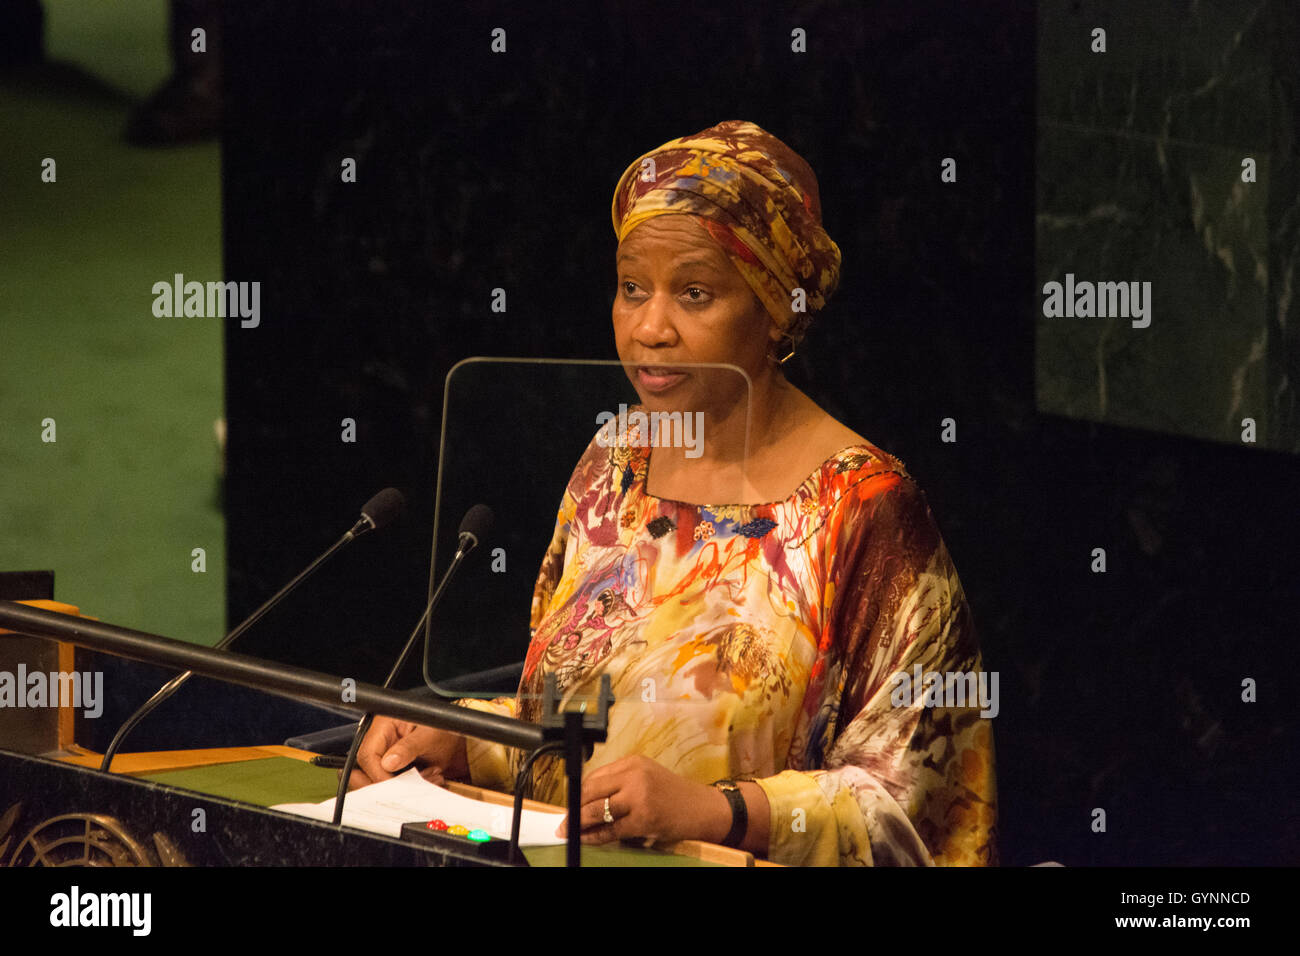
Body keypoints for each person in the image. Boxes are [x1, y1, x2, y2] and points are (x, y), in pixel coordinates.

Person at [352, 120, 997, 866]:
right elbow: (575, 724)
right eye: (632, 289)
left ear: (775, 309)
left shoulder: (866, 507)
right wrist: (467, 738)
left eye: (695, 293)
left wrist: (718, 813)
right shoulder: (614, 460)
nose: (649, 327)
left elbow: (916, 804)